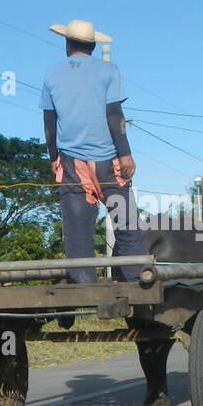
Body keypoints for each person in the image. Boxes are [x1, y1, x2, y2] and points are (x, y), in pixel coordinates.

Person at [41, 19, 147, 283]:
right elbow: (114, 114)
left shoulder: (52, 74)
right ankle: (137, 288)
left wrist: (54, 157)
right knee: (127, 227)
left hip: (72, 166)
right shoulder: (108, 70)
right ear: (93, 45)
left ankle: (84, 288)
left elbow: (49, 121)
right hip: (109, 164)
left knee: (77, 233)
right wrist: (125, 154)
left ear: (67, 44)